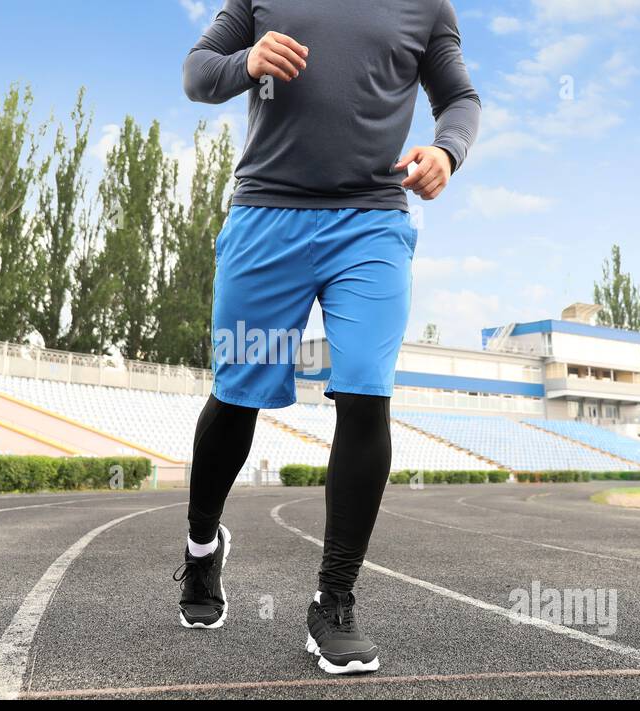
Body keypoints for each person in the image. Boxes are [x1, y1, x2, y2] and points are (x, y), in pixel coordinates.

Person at [173, 0, 480, 674]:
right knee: (237, 396)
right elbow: (197, 74)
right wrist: (246, 63)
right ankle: (201, 551)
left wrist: (447, 153)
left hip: (369, 223)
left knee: (366, 392)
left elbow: (458, 97)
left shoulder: (426, 6)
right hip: (266, 216)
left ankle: (333, 603)